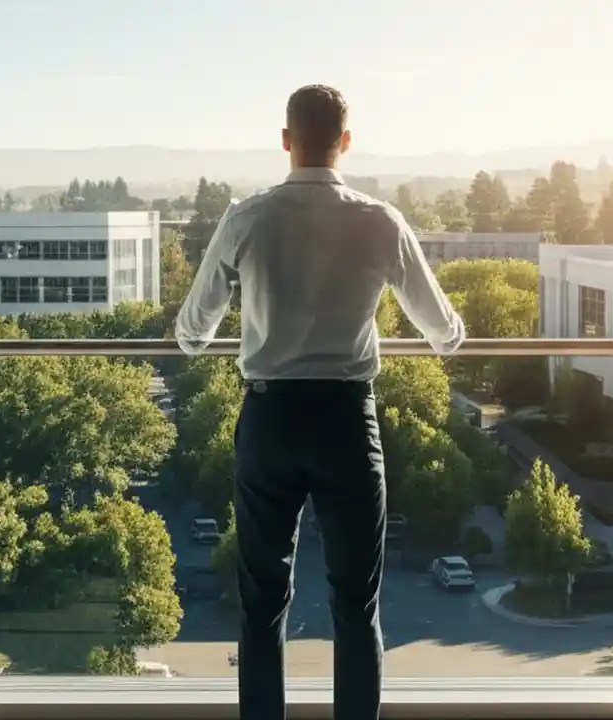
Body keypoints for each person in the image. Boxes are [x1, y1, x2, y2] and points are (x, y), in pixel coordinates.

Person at [175, 84, 465, 720]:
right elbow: (444, 332)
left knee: (261, 604)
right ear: (347, 142)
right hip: (345, 422)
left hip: (269, 420)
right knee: (356, 608)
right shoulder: (380, 221)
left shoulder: (246, 218)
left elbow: (192, 334)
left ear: (285, 140)